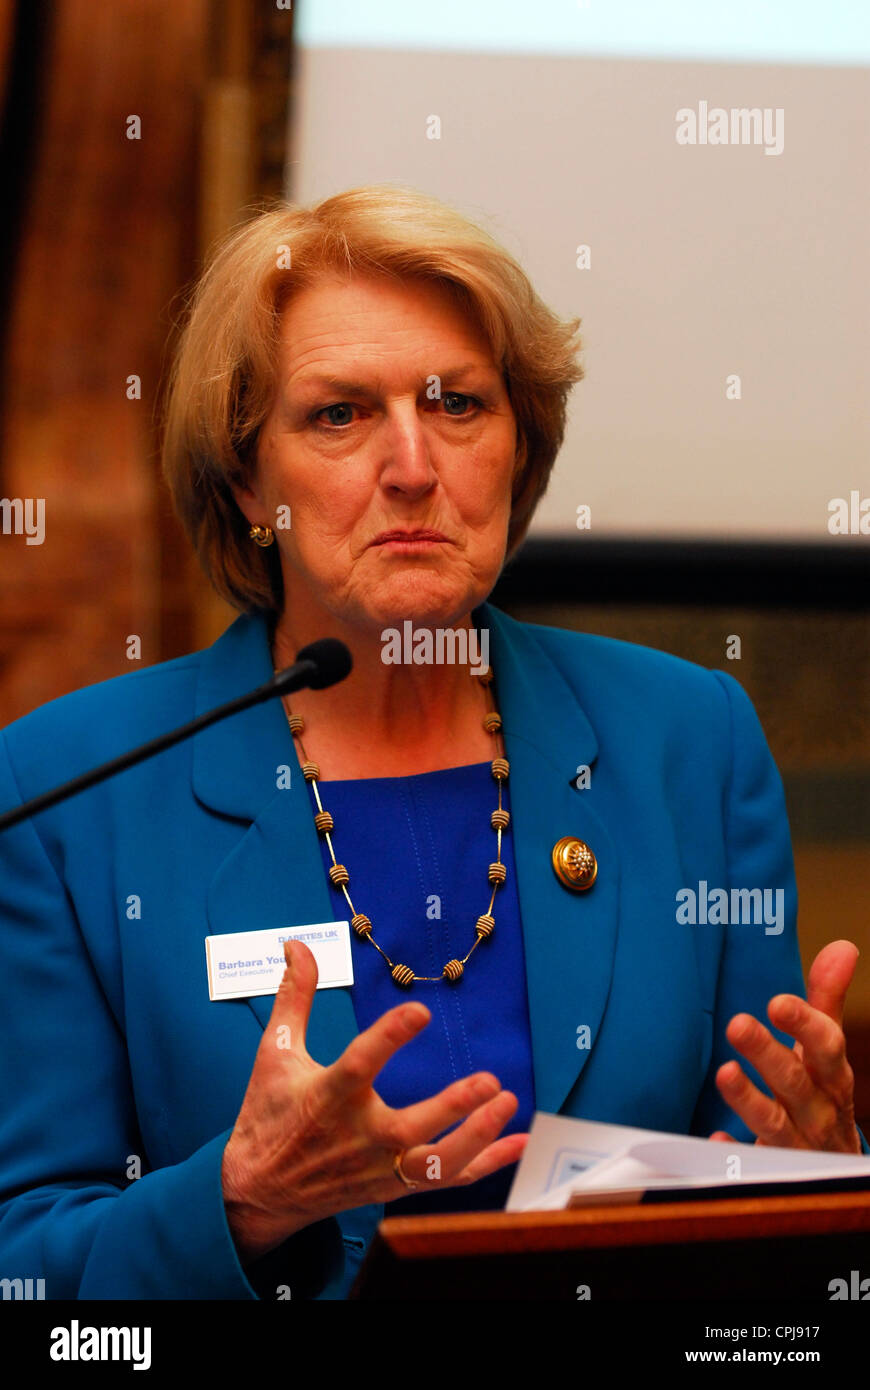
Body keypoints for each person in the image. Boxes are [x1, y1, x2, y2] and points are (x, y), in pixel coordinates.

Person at [0, 185, 864, 1303]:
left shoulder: (687, 742)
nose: (413, 466)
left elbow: (761, 1227)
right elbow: (26, 1275)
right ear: (248, 477)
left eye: (458, 404)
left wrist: (812, 1174)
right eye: (339, 414)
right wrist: (240, 1202)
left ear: (520, 444)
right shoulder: (72, 790)